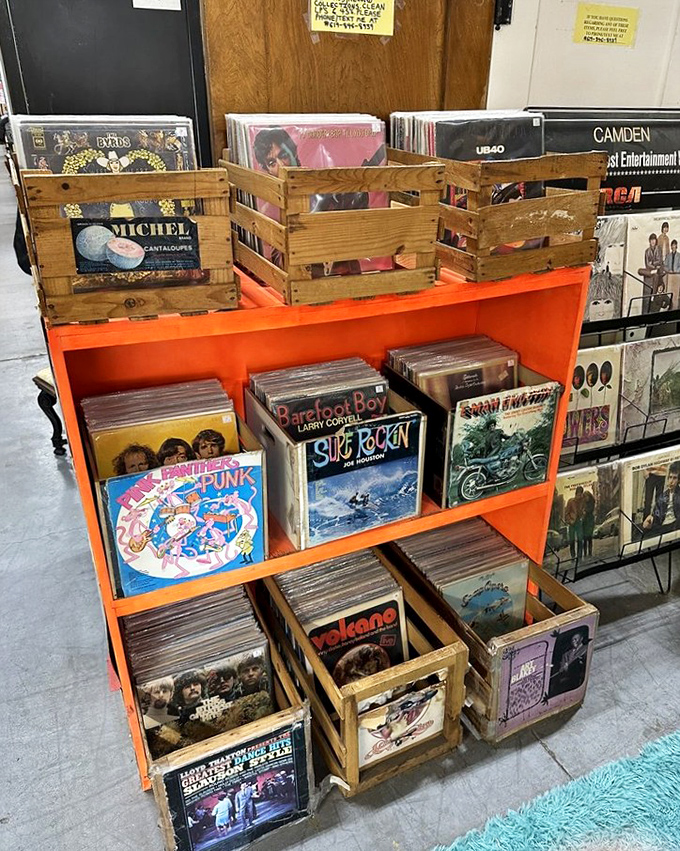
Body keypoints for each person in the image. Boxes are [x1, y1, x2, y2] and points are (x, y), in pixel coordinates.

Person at [642, 462, 680, 537]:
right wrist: (651, 518)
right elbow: (657, 513)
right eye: (670, 477)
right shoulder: (663, 497)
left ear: (679, 480)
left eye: (674, 478)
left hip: (674, 527)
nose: (671, 481)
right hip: (662, 526)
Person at [641, 233, 665, 314]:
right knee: (640, 271)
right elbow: (647, 264)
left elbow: (660, 261)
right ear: (649, 241)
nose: (653, 242)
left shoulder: (659, 249)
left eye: (654, 240)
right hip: (650, 271)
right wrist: (654, 266)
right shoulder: (647, 251)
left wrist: (653, 263)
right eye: (651, 240)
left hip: (657, 272)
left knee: (656, 275)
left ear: (656, 241)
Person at [564, 485, 584, 561]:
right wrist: (570, 521)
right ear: (576, 494)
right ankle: (573, 557)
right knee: (572, 541)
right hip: (572, 523)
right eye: (579, 494)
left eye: (581, 494)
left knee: (580, 540)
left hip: (579, 522)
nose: (580, 496)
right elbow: (566, 513)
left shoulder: (582, 501)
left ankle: (579, 557)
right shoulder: (571, 501)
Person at [581, 488, 596, 558]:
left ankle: (589, 553)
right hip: (584, 522)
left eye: (586, 496)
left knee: (589, 538)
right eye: (584, 497)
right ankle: (585, 553)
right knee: (584, 539)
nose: (585, 498)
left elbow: (589, 510)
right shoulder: (583, 503)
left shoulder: (591, 502)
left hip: (589, 522)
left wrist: (585, 511)